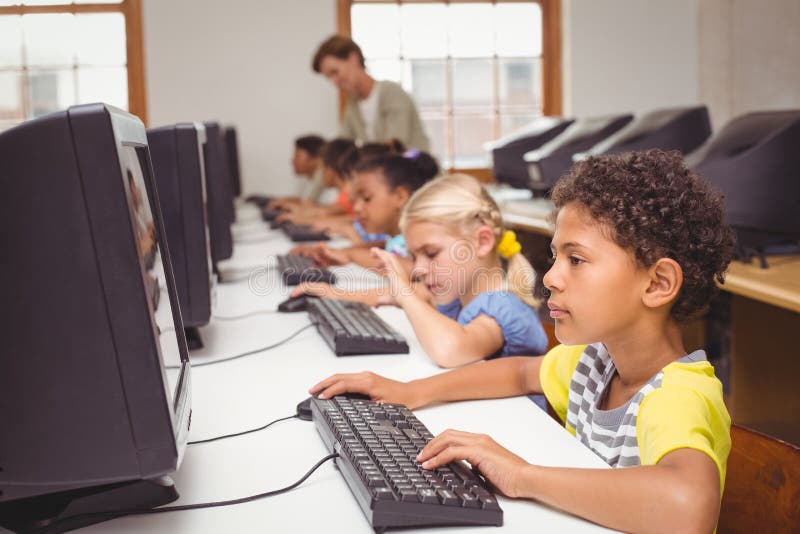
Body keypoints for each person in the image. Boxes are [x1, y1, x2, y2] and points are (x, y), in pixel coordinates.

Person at [309, 150, 735, 532]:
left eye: (576, 260)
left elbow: (687, 506)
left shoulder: (679, 394)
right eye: (555, 258)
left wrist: (521, 475)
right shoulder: (595, 362)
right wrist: (409, 393)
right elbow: (521, 371)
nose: (550, 277)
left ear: (658, 283)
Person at [298, 173, 549, 368]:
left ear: (482, 242)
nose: (418, 268)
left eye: (431, 254)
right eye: (414, 256)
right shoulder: (454, 296)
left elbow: (451, 350)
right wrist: (327, 292)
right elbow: (385, 295)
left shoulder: (503, 309)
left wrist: (404, 293)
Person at [312, 34, 430, 152]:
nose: (335, 82)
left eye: (335, 72)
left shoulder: (392, 93)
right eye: (329, 78)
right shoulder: (353, 104)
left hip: (415, 168)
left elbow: (394, 146)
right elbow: (342, 144)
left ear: (353, 59)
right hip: (384, 168)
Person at [270, 135, 327, 210]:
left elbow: (319, 207)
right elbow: (308, 202)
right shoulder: (311, 181)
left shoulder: (327, 185)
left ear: (316, 159)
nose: (292, 161)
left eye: (297, 156)